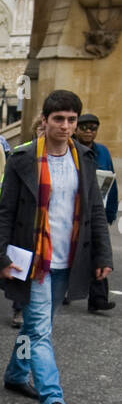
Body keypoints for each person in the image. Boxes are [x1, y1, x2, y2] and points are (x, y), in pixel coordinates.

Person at [0, 89, 113, 404]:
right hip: (34, 260)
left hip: (68, 259)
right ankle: (51, 396)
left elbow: (95, 212)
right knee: (41, 329)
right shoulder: (23, 158)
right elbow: (5, 211)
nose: (66, 126)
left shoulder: (85, 158)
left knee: (36, 325)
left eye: (72, 120)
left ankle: (16, 375)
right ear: (44, 121)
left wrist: (103, 257)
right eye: (59, 119)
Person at [74, 112, 117, 314]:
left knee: (99, 253)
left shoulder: (103, 151)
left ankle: (98, 299)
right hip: (73, 211)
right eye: (85, 127)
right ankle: (63, 291)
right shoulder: (71, 149)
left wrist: (110, 211)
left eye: (93, 128)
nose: (89, 132)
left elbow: (111, 181)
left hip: (95, 210)